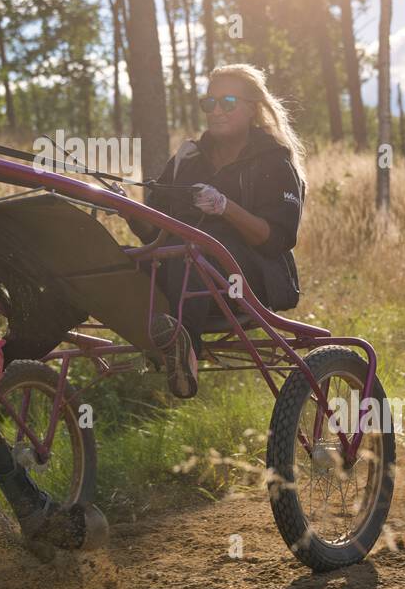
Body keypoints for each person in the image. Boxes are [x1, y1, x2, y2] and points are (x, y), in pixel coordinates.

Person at [131, 63, 306, 399]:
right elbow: (154, 232)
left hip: (248, 282)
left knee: (196, 251)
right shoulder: (188, 159)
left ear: (252, 109)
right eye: (208, 104)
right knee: (122, 260)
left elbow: (276, 240)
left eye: (227, 102)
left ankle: (186, 354)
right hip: (187, 274)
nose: (216, 112)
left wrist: (227, 207)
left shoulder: (274, 162)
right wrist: (128, 211)